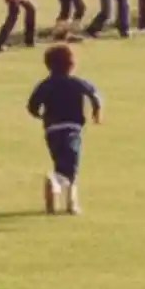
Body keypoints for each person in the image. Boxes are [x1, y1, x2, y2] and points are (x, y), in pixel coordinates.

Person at [26, 44, 102, 216]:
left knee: (62, 161)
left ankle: (71, 203)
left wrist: (40, 116)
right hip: (72, 129)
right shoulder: (76, 82)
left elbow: (32, 106)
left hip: (52, 131)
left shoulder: (45, 84)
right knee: (71, 165)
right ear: (71, 64)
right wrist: (97, 111)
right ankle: (55, 183)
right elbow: (94, 94)